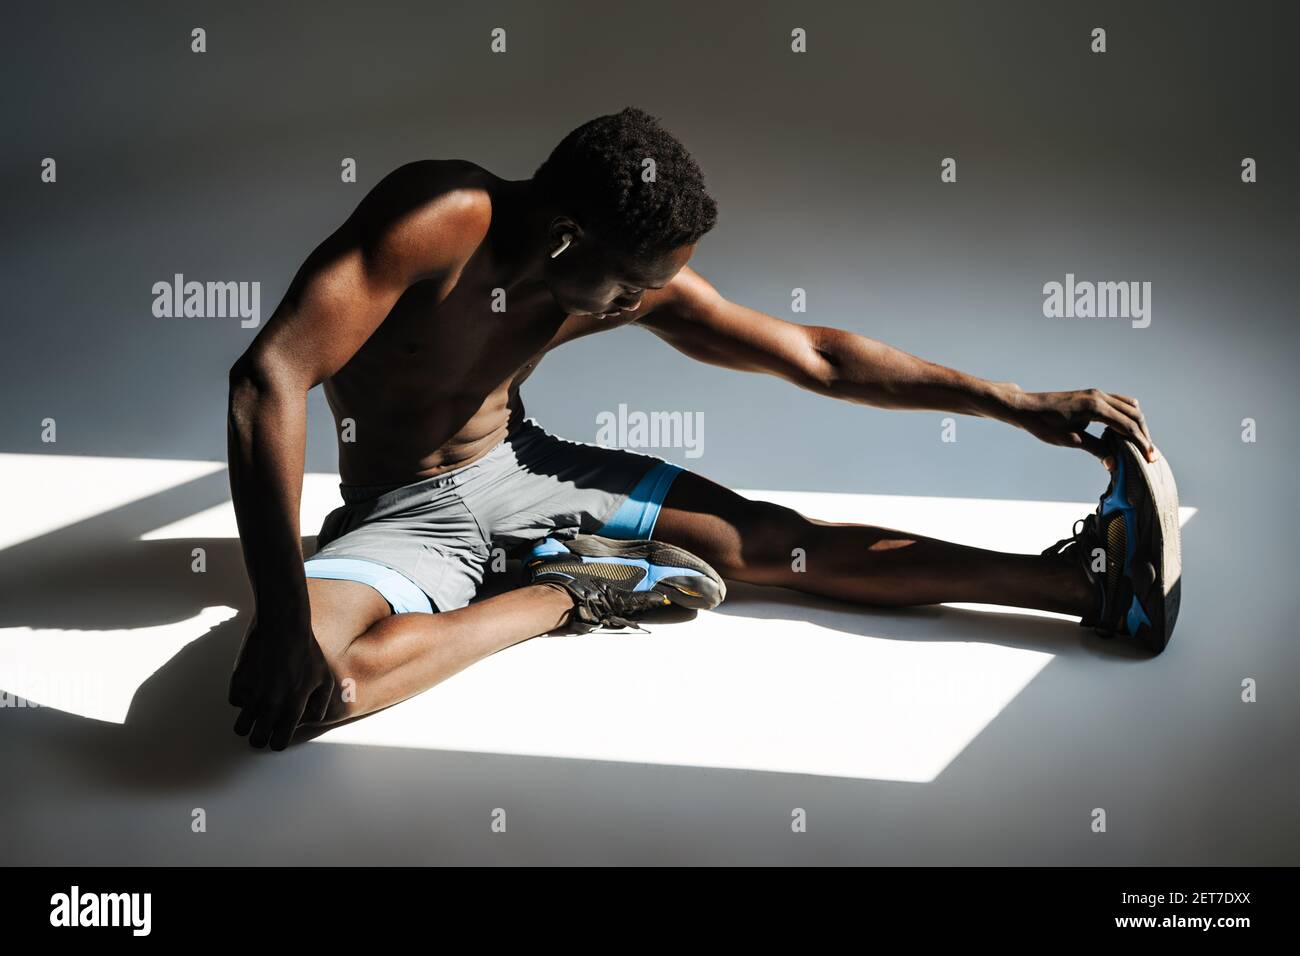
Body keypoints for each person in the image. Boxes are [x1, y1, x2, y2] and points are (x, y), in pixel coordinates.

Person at [226, 107, 1180, 751]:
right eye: (633, 283)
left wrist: (1013, 401)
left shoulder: (608, 276)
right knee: (303, 695)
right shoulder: (437, 220)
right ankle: (565, 594)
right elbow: (270, 377)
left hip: (522, 467)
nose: (644, 304)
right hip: (402, 511)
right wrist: (277, 609)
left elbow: (816, 356)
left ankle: (1088, 585)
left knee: (772, 544)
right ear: (564, 238)